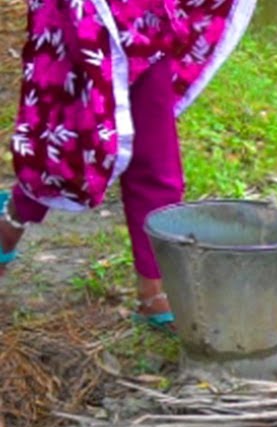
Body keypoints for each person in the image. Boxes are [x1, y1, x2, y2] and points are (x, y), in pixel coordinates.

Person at [0, 0, 258, 328]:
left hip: (150, 12)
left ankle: (154, 285)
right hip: (90, 10)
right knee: (74, 128)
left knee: (152, 146)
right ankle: (13, 219)